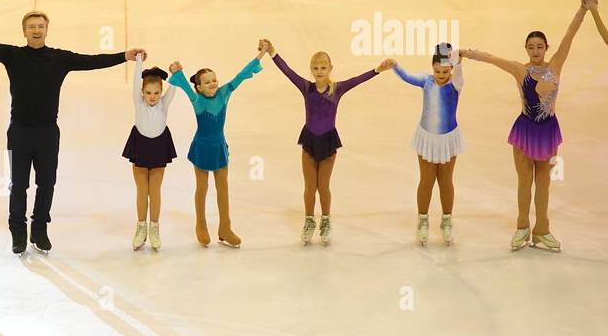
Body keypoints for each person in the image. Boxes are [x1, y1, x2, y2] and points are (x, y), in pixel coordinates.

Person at [0, 9, 141, 254]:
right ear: (24, 31)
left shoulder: (59, 58)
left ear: (47, 30)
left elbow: (93, 61)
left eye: (40, 26)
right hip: (19, 132)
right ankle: (18, 230)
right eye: (32, 27)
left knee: (47, 183)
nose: (36, 30)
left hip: (47, 132)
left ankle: (40, 228)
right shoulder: (13, 55)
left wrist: (124, 56)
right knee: (19, 183)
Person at [461, 0, 592, 252]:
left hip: (548, 132)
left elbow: (570, 34)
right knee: (524, 181)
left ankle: (542, 229)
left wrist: (583, 9)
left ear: (546, 47)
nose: (535, 51)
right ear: (526, 48)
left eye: (539, 46)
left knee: (544, 183)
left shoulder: (556, 64)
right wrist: (468, 53)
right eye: (531, 47)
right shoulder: (519, 70)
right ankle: (522, 226)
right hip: (525, 131)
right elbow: (491, 58)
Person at [270, 44, 393, 245]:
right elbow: (287, 71)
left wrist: (377, 70)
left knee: (323, 185)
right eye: (316, 68)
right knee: (310, 186)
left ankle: (325, 221)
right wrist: (272, 52)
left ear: (330, 68)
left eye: (323, 68)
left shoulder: (337, 89)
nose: (319, 72)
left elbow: (356, 80)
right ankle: (309, 221)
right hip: (309, 140)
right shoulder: (306, 87)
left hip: (328, 141)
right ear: (311, 69)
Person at [167, 44, 265, 248]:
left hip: (219, 147)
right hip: (201, 148)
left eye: (214, 80)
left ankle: (225, 227)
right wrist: (176, 71)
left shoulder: (224, 93)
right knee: (202, 188)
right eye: (207, 82)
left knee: (223, 188)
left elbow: (241, 74)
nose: (213, 83)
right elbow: (184, 84)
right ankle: (201, 225)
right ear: (200, 87)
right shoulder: (197, 99)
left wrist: (261, 54)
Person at [390, 44, 464, 246]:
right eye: (437, 71)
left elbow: (458, 68)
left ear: (451, 69)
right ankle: (422, 220)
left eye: (445, 71)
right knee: (427, 180)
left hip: (448, 139)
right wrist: (395, 65)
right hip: (427, 138)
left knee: (446, 180)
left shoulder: (456, 83)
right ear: (432, 68)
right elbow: (407, 77)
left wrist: (457, 58)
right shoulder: (426, 81)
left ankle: (446, 220)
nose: (441, 75)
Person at [124, 53, 177, 252]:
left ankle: (154, 228)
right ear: (142, 93)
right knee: (142, 191)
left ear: (161, 92)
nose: (152, 97)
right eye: (148, 93)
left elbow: (175, 87)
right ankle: (140, 228)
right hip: (140, 145)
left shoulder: (164, 103)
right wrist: (139, 62)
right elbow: (136, 81)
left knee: (154, 191)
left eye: (156, 93)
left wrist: (176, 73)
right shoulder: (138, 102)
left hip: (159, 147)